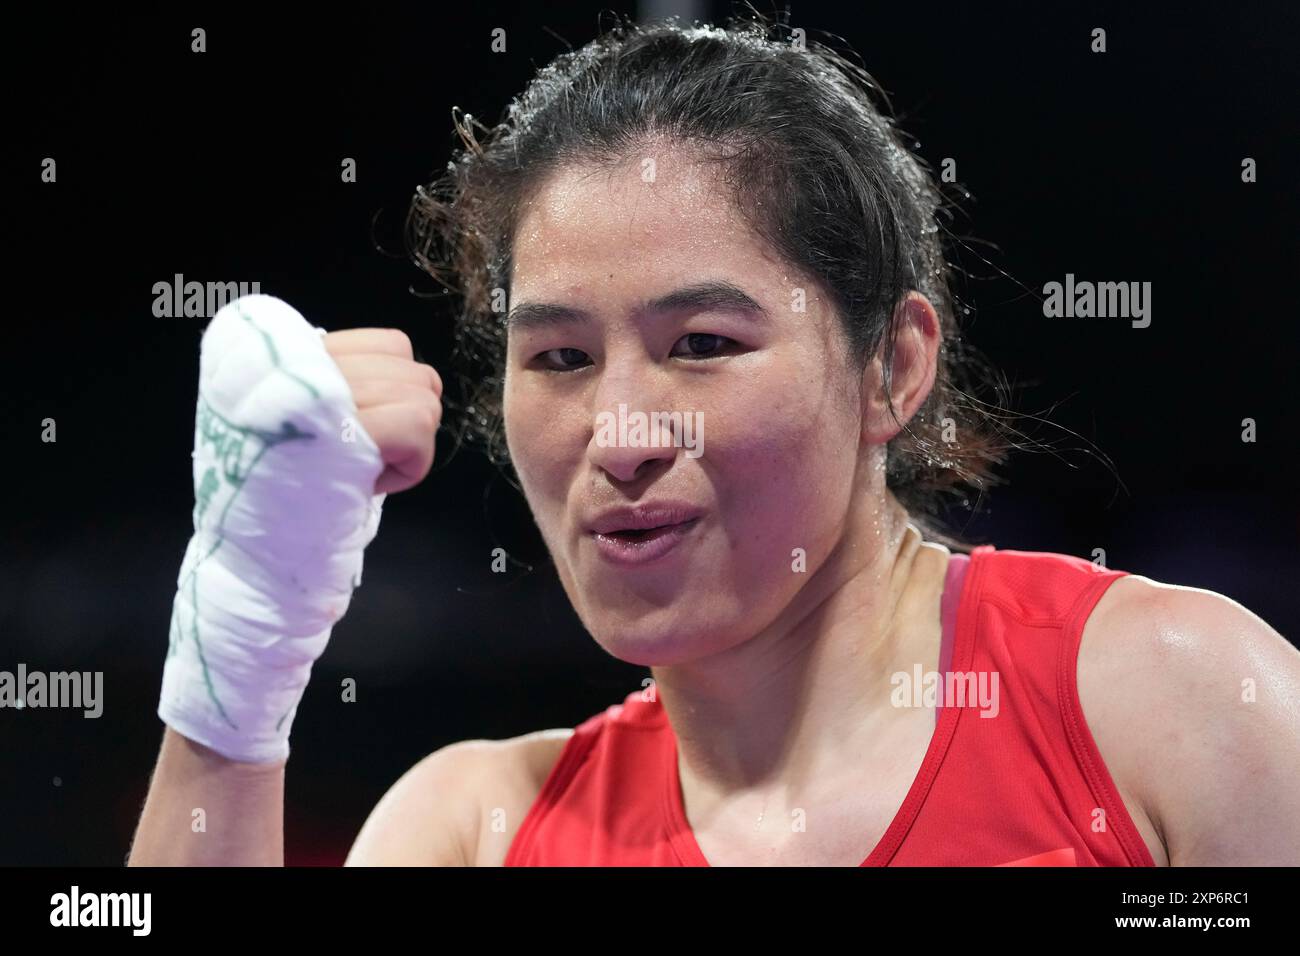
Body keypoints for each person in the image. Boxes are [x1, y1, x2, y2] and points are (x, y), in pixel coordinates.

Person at [127, 16, 1300, 867]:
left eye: (699, 342)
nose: (620, 434)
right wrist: (245, 632)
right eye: (560, 359)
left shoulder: (1170, 701)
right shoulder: (472, 829)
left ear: (891, 365)